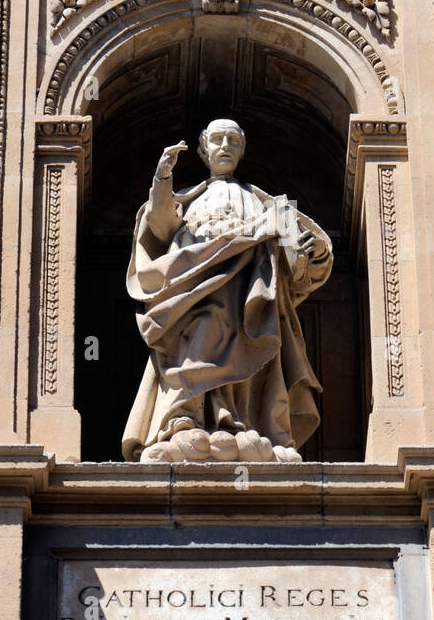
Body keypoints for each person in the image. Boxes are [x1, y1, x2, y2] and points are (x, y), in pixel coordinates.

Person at [122, 118, 332, 463]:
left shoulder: (265, 202)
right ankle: (183, 420)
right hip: (196, 284)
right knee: (200, 338)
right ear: (203, 149)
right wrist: (162, 180)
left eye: (233, 140)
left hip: (249, 286)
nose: (225, 146)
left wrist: (317, 253)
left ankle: (244, 424)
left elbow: (303, 263)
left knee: (251, 345)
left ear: (242, 149)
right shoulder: (189, 199)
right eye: (217, 139)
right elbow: (159, 227)